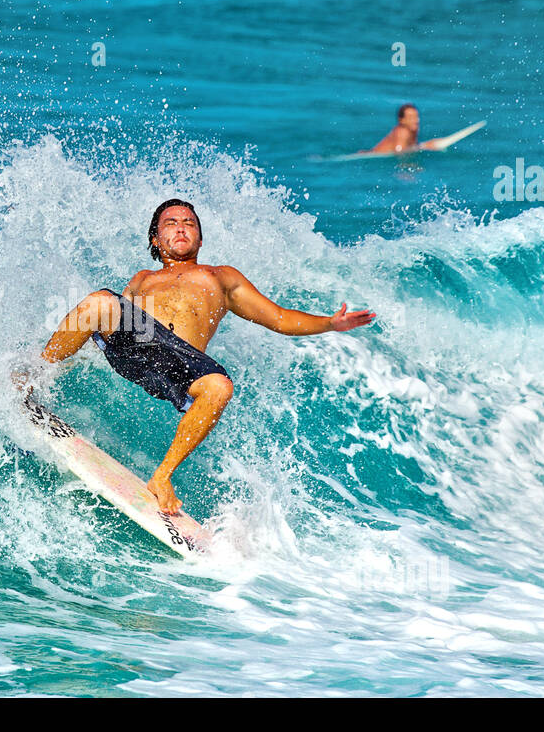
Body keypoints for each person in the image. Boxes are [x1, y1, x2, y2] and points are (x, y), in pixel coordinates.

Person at [31, 199, 376, 514]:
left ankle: (162, 477)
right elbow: (112, 322)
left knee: (219, 387)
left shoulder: (220, 276)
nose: (181, 227)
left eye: (189, 223)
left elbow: (280, 318)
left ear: (200, 240)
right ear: (155, 239)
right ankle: (33, 375)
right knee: (98, 302)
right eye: (170, 223)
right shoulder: (143, 278)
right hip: (135, 349)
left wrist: (330, 323)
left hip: (179, 360)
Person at [367, 103, 443, 154]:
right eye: (411, 117)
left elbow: (410, 146)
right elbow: (399, 152)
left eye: (416, 116)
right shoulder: (402, 132)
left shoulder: (412, 131)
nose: (416, 120)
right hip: (372, 154)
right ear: (401, 120)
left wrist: (424, 145)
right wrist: (424, 147)